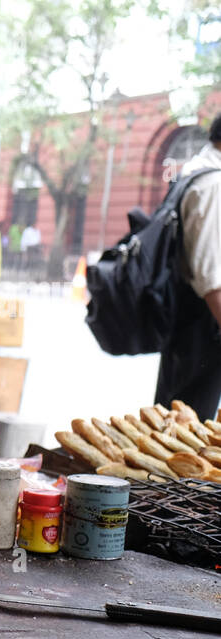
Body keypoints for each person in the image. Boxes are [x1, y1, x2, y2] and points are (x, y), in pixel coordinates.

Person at [156, 114, 221, 418]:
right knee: (185, 437)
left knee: (172, 426)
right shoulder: (213, 183)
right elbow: (211, 281)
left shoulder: (195, 170)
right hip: (202, 327)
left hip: (186, 323)